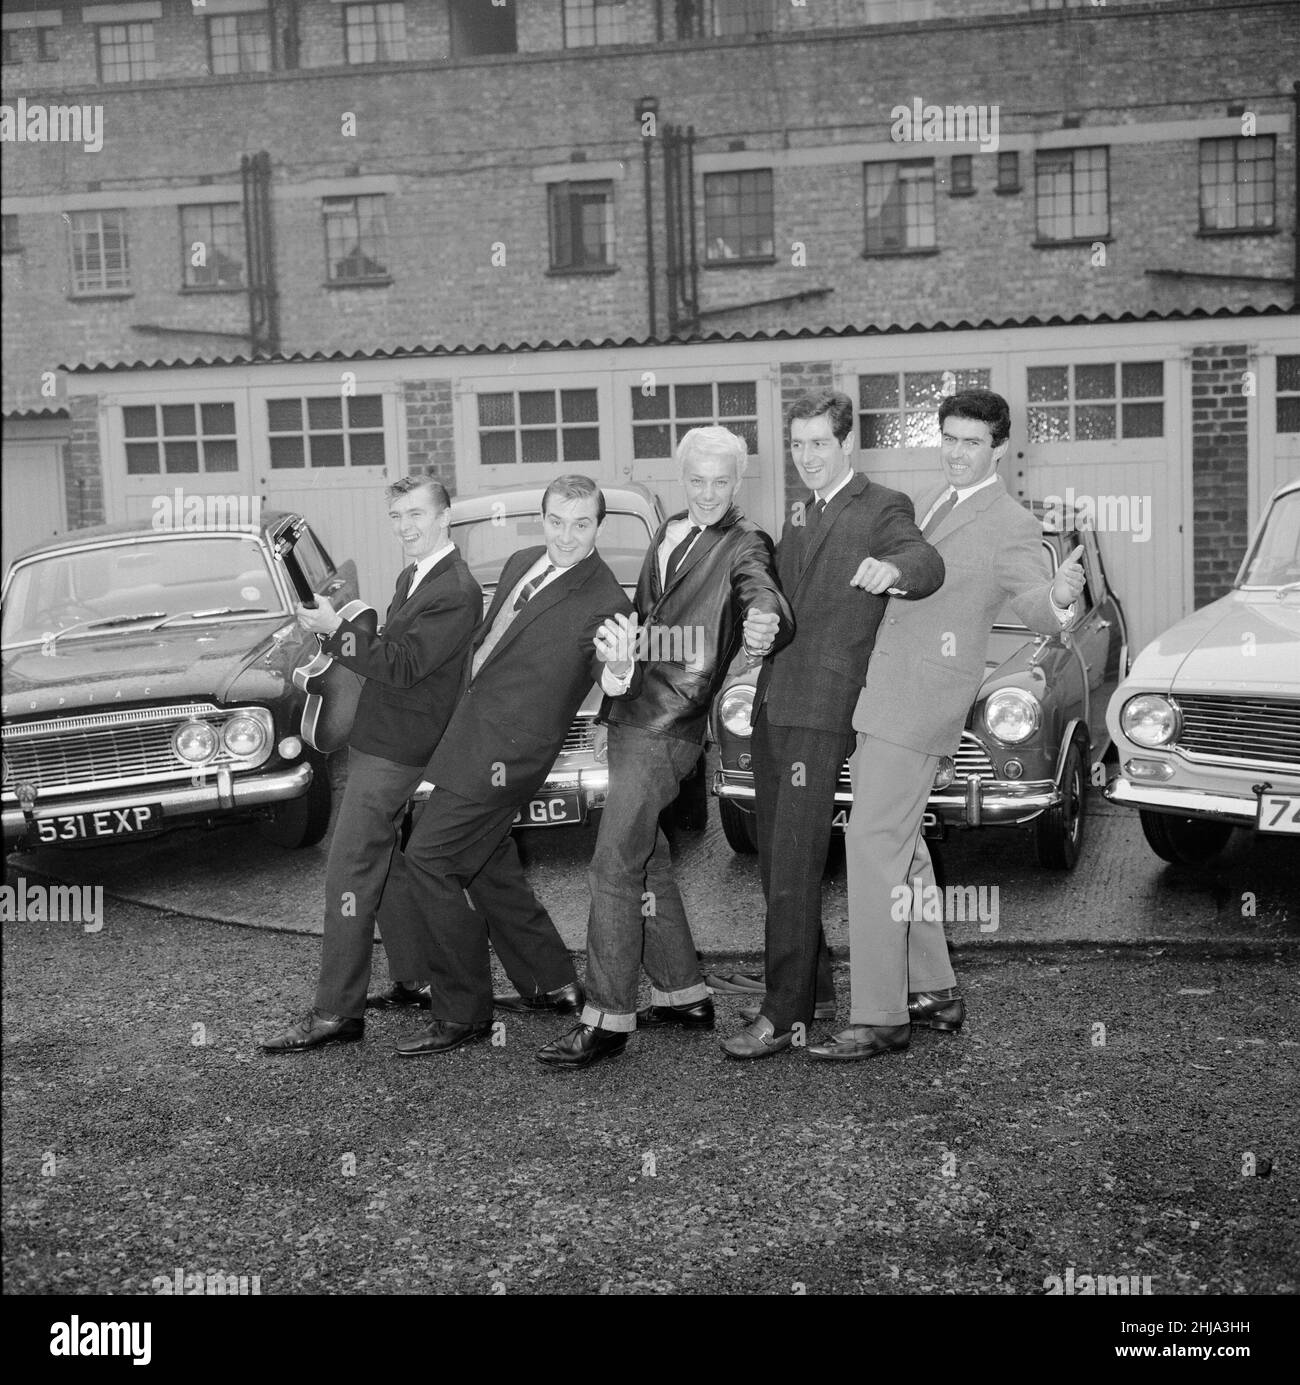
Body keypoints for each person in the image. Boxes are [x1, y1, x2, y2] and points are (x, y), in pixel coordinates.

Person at [809, 389, 1086, 1062]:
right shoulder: (934, 502)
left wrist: (1058, 599)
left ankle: (880, 1015)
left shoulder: (1010, 521)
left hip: (920, 702)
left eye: (971, 443)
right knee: (904, 849)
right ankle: (933, 990)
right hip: (887, 694)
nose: (957, 453)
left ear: (1000, 449)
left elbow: (1032, 598)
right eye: (950, 439)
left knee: (872, 844)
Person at [538, 425, 794, 1070]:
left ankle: (607, 1015)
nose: (709, 494)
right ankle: (683, 993)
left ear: (740, 483)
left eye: (722, 481)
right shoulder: (670, 529)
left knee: (611, 865)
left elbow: (762, 594)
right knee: (645, 861)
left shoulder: (746, 543)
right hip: (633, 714)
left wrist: (766, 624)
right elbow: (651, 621)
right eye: (698, 480)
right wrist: (617, 682)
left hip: (671, 722)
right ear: (683, 479)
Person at [721, 390, 944, 1060]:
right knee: (773, 861)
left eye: (820, 443)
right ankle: (813, 988)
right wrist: (759, 626)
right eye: (798, 444)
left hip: (822, 710)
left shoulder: (881, 506)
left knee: (793, 863)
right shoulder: (801, 514)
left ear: (847, 443)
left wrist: (894, 570)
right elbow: (785, 604)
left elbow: (925, 560)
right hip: (772, 700)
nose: (809, 456)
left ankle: (782, 1014)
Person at [378, 475, 635, 1057]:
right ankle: (552, 983)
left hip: (508, 755)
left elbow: (614, 678)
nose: (566, 537)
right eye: (556, 521)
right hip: (466, 736)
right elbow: (492, 642)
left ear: (599, 526)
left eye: (581, 524)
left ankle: (463, 1011)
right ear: (541, 519)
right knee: (489, 865)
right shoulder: (523, 561)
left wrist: (620, 668)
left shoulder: (607, 601)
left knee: (430, 862)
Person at [261, 476, 481, 1053]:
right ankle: (415, 978)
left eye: (416, 514)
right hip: (385, 735)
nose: (405, 527)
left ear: (445, 516)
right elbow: (398, 655)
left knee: (348, 873)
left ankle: (336, 1013)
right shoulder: (417, 574)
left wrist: (336, 632)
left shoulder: (455, 588)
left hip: (399, 748)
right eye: (397, 516)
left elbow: (405, 667)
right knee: (388, 864)